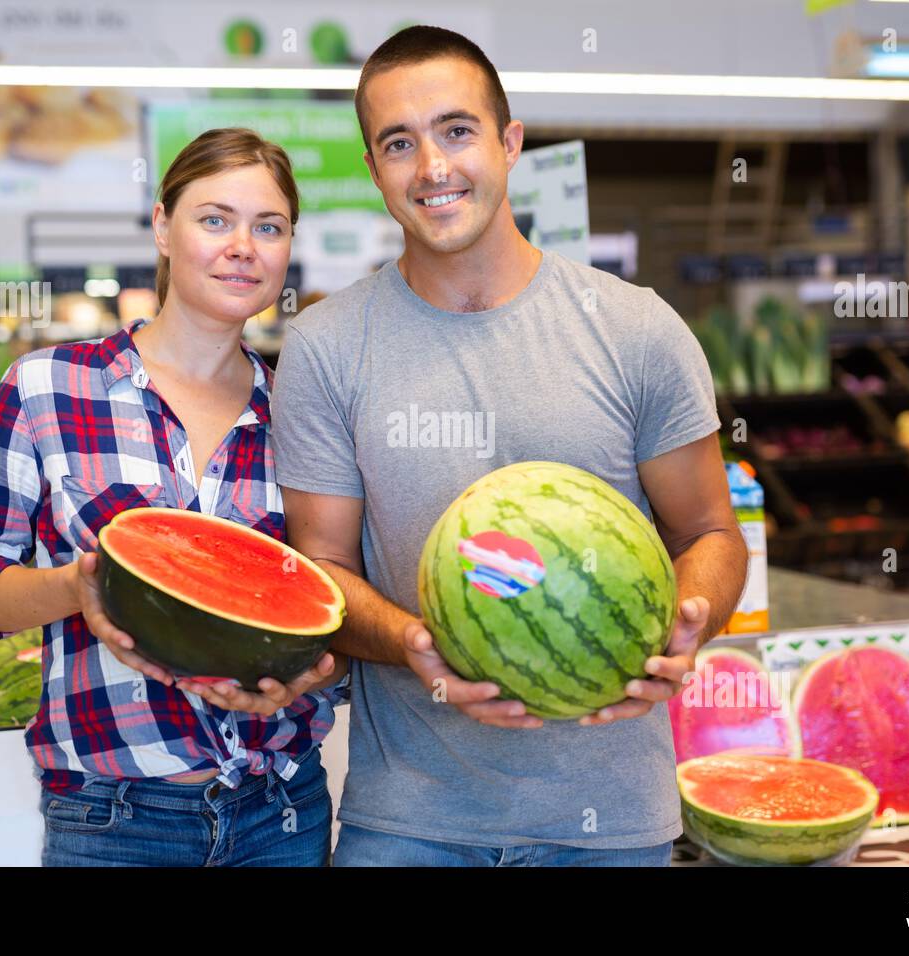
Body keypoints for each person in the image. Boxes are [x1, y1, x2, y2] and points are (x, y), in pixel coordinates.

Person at [271, 26, 748, 867]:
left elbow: (711, 532)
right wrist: (419, 646)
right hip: (409, 822)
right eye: (398, 144)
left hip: (610, 821)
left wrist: (689, 620)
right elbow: (323, 574)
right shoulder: (326, 345)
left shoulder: (637, 329)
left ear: (510, 141)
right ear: (374, 168)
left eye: (457, 131)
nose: (433, 168)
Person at [0, 127, 347, 867]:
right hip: (113, 820)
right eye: (214, 219)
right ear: (163, 226)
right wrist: (78, 585)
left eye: (269, 226)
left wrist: (313, 674)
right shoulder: (44, 388)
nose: (242, 246)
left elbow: (332, 600)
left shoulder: (302, 412)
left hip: (280, 810)